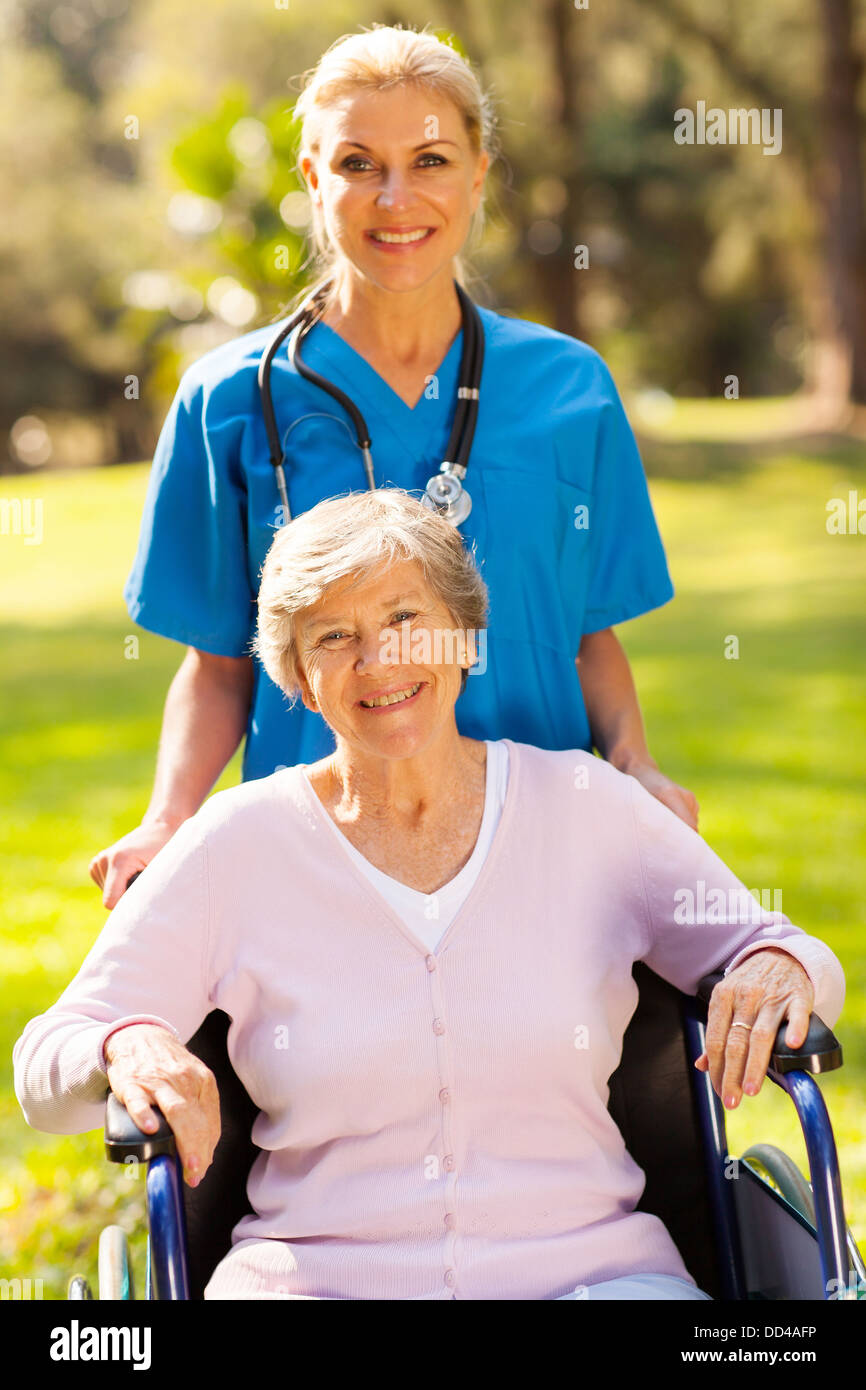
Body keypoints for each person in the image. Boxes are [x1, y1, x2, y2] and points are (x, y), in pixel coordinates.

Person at [16, 491, 844, 1301]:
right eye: (334, 637)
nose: (378, 661)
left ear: (463, 636)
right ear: (299, 677)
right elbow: (48, 1057)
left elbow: (789, 950)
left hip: (593, 1275)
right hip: (314, 1282)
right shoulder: (237, 844)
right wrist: (123, 1042)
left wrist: (778, 965)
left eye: (406, 619)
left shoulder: (588, 807)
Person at [89, 22, 697, 911]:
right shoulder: (227, 399)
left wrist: (637, 767)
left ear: (480, 171)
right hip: (317, 865)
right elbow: (220, 666)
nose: (395, 197)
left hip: (546, 861)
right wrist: (167, 818)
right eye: (359, 164)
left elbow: (586, 638)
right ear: (312, 178)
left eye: (432, 159)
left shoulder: (572, 390)